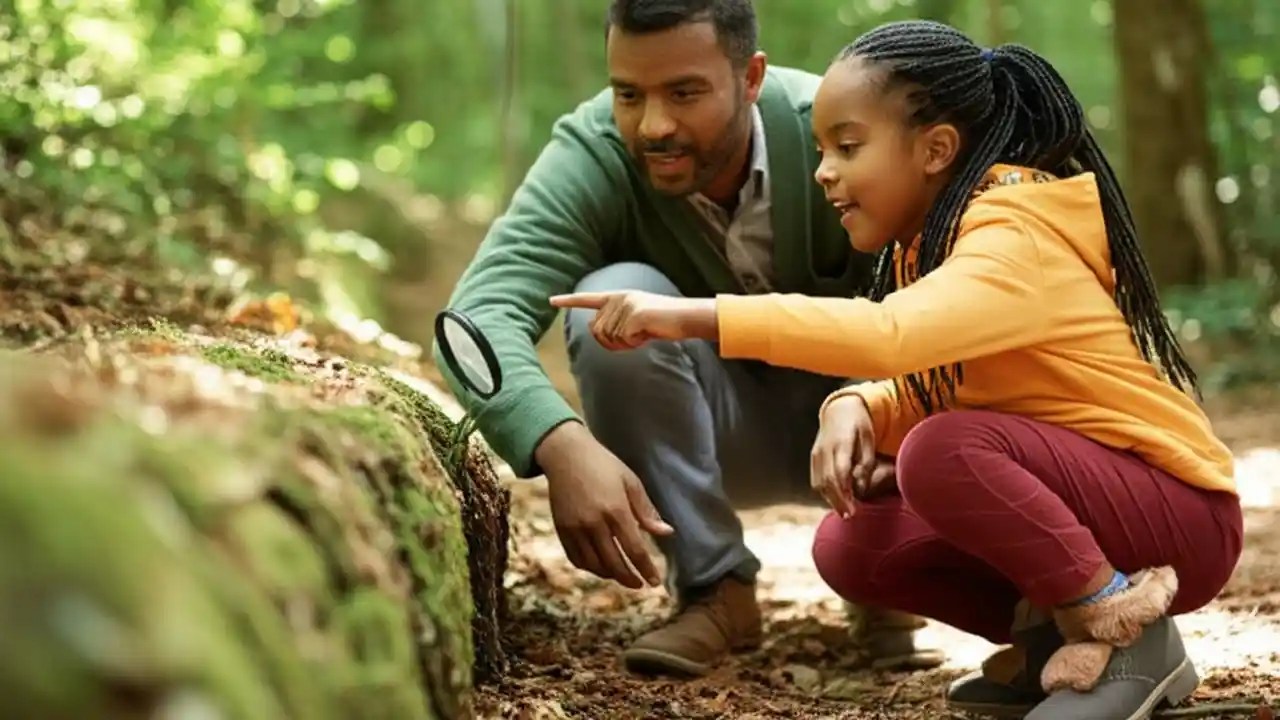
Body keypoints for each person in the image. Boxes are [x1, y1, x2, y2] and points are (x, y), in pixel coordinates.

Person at [548, 19, 1245, 720]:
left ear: (937, 148)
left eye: (847, 147)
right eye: (821, 149)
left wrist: (690, 315)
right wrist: (858, 407)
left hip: (1178, 513)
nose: (823, 170)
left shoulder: (1014, 230)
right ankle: (1050, 642)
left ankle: (1120, 632)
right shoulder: (934, 240)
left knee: (945, 450)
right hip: (1101, 508)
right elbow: (939, 374)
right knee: (855, 546)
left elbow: (894, 335)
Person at [434, 0, 942, 679]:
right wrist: (558, 443)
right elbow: (477, 316)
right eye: (628, 93)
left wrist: (889, 406)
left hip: (870, 436)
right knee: (610, 301)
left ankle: (887, 576)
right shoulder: (596, 152)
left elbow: (953, 306)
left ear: (750, 77)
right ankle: (714, 586)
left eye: (684, 92)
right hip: (704, 428)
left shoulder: (839, 133)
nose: (653, 125)